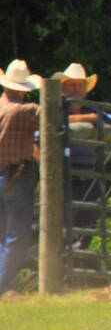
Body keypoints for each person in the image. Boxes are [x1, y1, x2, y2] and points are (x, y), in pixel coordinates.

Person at [55, 63, 111, 250]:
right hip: (65, 174)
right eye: (72, 85)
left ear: (84, 90)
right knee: (66, 220)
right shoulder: (58, 109)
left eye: (79, 85)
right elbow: (53, 120)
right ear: (63, 88)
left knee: (90, 218)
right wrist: (88, 119)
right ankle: (66, 260)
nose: (76, 89)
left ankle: (78, 255)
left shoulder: (93, 110)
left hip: (88, 175)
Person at [0, 59, 42, 295]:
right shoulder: (26, 111)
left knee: (2, 236)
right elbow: (52, 115)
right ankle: (1, 287)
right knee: (16, 237)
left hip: (2, 176)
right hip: (17, 176)